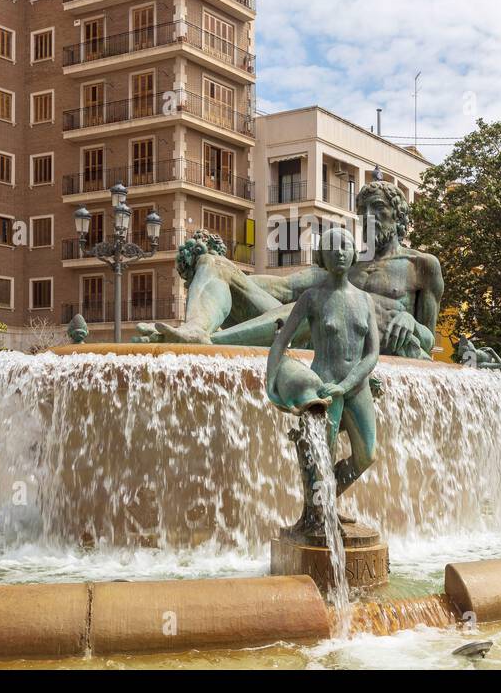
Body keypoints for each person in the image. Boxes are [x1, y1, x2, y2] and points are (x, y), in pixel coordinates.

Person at [137, 180, 442, 358]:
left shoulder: (422, 266)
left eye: (377, 208)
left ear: (399, 217)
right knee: (214, 264)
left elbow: (429, 337)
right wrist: (223, 276)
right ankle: (195, 330)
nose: (368, 217)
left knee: (314, 304)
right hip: (310, 335)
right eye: (362, 212)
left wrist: (413, 325)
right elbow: (282, 288)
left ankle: (210, 344)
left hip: (359, 349)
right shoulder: (345, 263)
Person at [266, 226, 380, 532]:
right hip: (322, 388)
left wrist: (347, 384)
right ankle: (320, 512)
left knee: (367, 454)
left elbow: (372, 354)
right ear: (322, 257)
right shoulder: (312, 298)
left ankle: (323, 501)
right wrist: (272, 382)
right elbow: (281, 341)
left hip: (355, 386)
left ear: (354, 253)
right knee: (322, 456)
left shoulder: (365, 301)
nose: (339, 252)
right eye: (331, 247)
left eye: (345, 246)